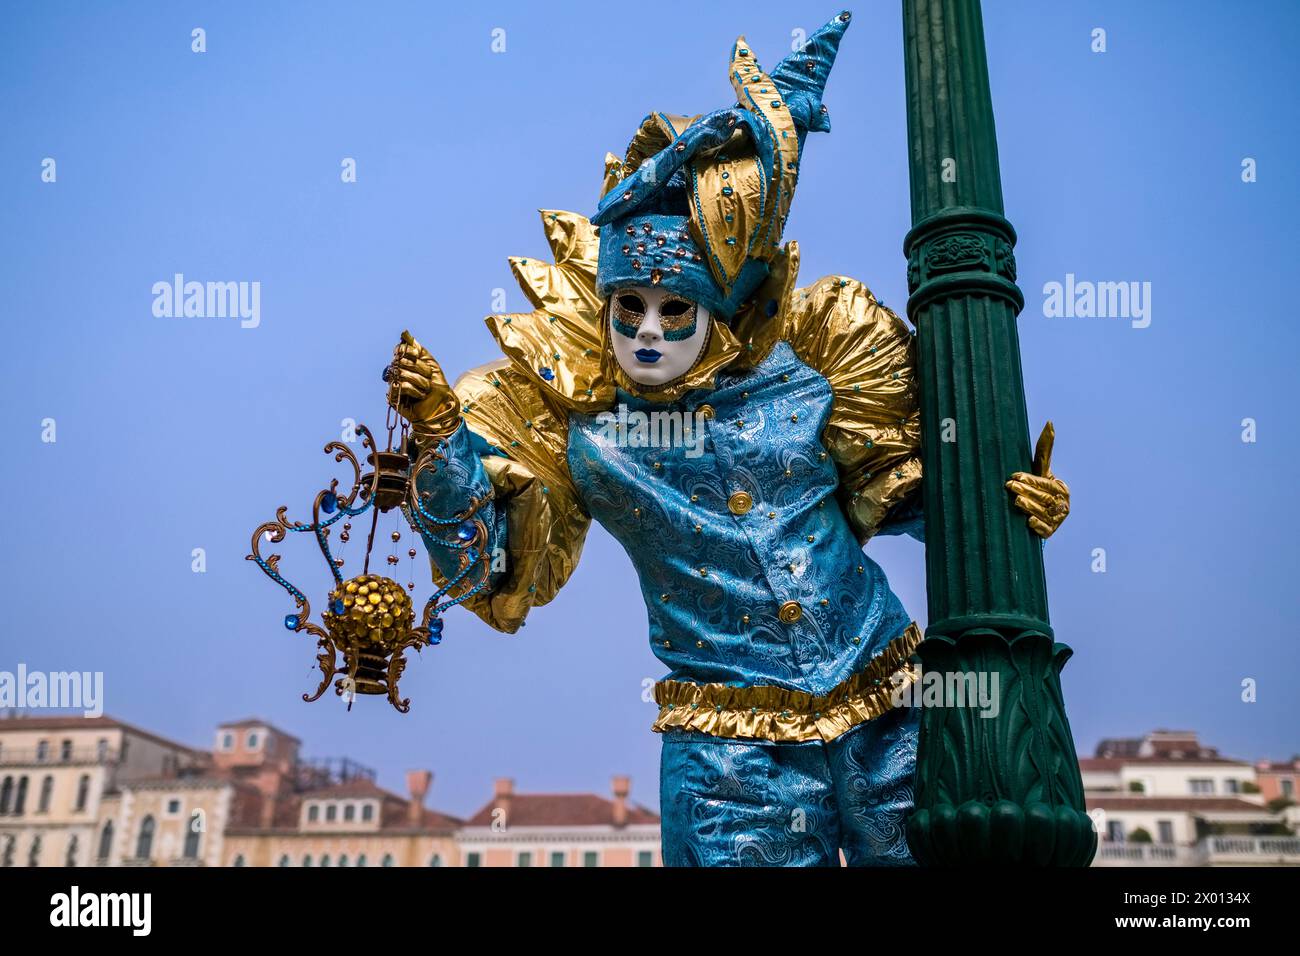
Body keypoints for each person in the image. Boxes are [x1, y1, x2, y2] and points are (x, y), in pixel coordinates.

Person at [384, 11, 1070, 866]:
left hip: (894, 711)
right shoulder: (584, 438)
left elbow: (915, 500)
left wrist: (1011, 514)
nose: (647, 331)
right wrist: (440, 441)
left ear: (716, 312)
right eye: (628, 308)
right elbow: (487, 569)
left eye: (675, 311)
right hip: (729, 763)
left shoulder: (809, 373)